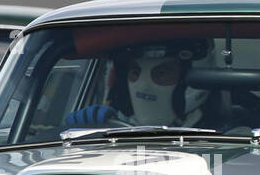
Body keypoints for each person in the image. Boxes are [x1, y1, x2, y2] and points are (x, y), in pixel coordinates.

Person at [65, 39, 212, 128]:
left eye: (161, 73)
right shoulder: (109, 131)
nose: (143, 86)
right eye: (135, 72)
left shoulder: (224, 142)